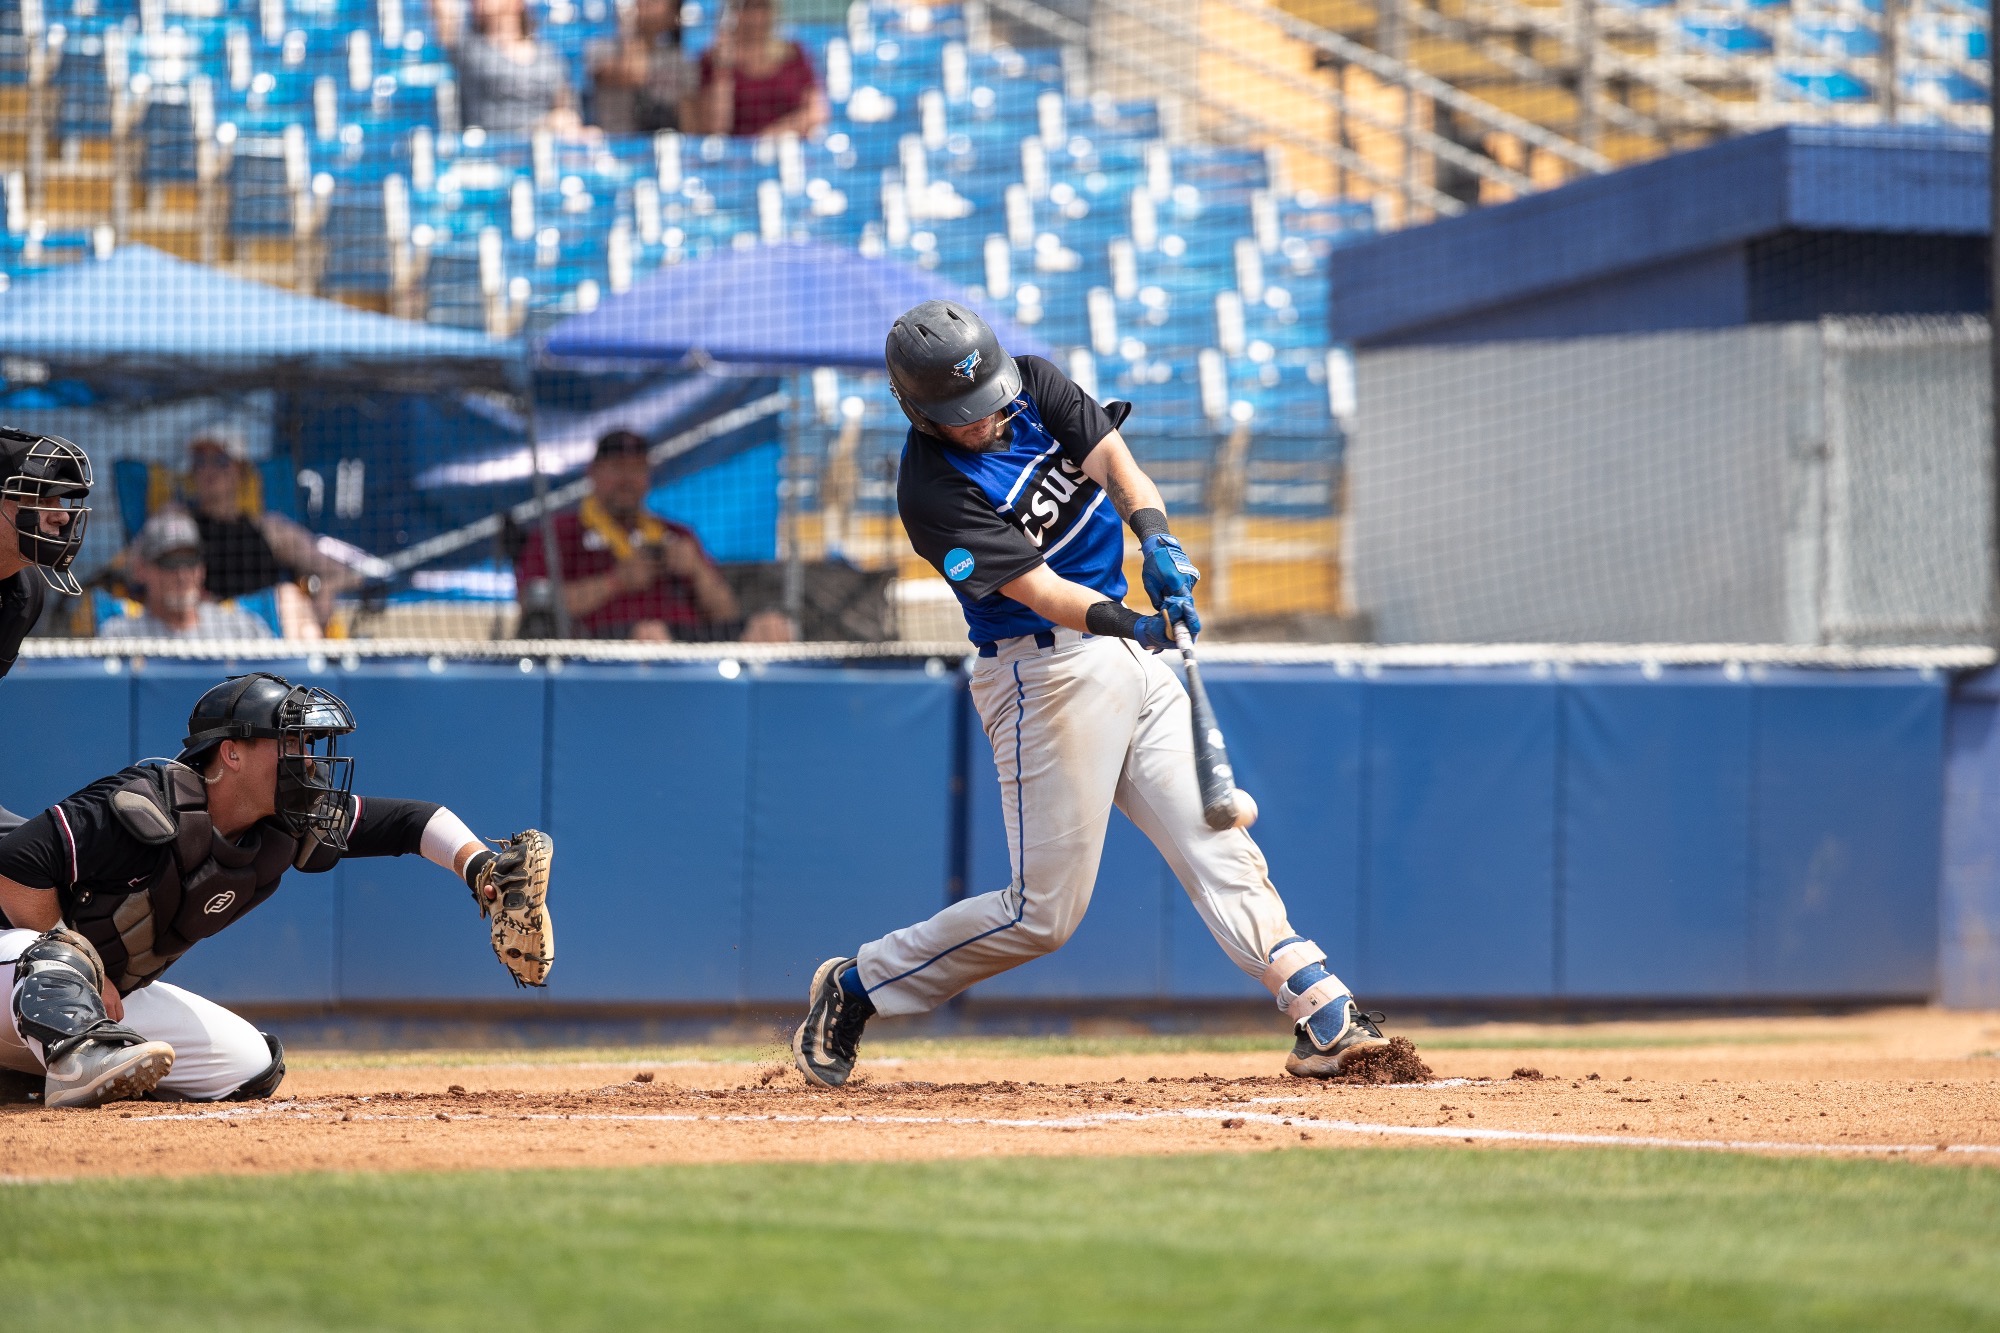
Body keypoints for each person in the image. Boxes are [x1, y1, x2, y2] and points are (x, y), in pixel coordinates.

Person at [791, 301, 1390, 1089]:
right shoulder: (931, 490)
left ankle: (1320, 1004)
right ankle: (858, 985)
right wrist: (1135, 623)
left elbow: (1116, 463)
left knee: (1213, 834)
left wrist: (1159, 538)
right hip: (1044, 675)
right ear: (921, 411)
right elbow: (1041, 591)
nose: (988, 419)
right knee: (1042, 914)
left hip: (1126, 659)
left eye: (990, 400)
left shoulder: (1032, 384)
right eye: (964, 415)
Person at [0, 672, 554, 1108]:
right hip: (20, 970)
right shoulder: (146, 803)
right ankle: (73, 1059)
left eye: (308, 743)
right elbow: (16, 862)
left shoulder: (285, 826)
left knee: (246, 1065)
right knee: (57, 956)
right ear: (232, 751)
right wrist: (79, 959)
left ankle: (28, 1071)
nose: (309, 759)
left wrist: (481, 869)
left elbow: (411, 822)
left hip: (71, 1009)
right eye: (290, 742)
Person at [515, 429, 746, 640]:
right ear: (593, 472)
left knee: (769, 626)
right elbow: (534, 607)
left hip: (686, 647)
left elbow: (728, 614)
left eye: (636, 469)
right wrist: (615, 582)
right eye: (617, 468)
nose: (627, 479)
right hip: (598, 652)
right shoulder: (559, 532)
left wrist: (697, 570)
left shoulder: (676, 533)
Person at [0, 427, 91, 838]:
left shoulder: (26, 592)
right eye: (40, 499)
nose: (61, 515)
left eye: (60, 499)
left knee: (61, 857)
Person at [177, 430, 348, 636]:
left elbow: (344, 572)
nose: (208, 469)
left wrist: (326, 589)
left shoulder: (271, 529)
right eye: (200, 461)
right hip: (205, 628)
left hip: (264, 631)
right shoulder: (177, 524)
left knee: (289, 596)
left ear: (240, 471)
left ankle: (304, 667)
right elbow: (134, 567)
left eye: (220, 460)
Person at [98, 511, 275, 642]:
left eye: (190, 561)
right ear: (142, 570)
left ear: (202, 568)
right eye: (170, 562)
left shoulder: (242, 631)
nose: (182, 575)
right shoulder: (120, 636)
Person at [433, 0, 582, 135]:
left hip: (549, 142)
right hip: (496, 146)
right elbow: (444, 14)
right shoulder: (469, 48)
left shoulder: (547, 54)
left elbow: (565, 106)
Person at [684, 0, 827, 138]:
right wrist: (722, 69)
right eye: (745, 6)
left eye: (760, 6)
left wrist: (772, 135)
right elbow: (716, 128)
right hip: (736, 156)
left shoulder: (794, 53)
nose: (754, 15)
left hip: (788, 150)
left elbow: (818, 112)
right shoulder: (712, 59)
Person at [588, 0, 693, 133]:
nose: (646, 3)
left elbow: (688, 119)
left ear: (673, 15)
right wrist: (629, 26)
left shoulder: (679, 60)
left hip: (663, 142)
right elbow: (636, 73)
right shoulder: (602, 48)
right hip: (614, 143)